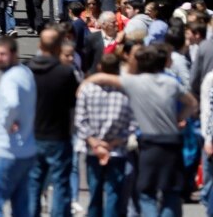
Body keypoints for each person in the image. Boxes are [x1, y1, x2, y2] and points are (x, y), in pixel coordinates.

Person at [85, 43, 198, 217]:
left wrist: (85, 83)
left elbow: (104, 78)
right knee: (170, 192)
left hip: (149, 143)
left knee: (147, 192)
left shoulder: (134, 82)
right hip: (172, 141)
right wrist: (179, 118)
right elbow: (192, 103)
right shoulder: (171, 82)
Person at [0, 28, 37, 217]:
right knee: (21, 207)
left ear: (14, 54)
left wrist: (7, 123)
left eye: (2, 55)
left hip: (5, 151)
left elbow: (12, 102)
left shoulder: (9, 80)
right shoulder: (25, 73)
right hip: (26, 151)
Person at [26, 26, 79, 217]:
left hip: (33, 135)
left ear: (40, 45)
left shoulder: (28, 71)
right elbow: (74, 104)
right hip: (59, 136)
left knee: (34, 185)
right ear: (58, 47)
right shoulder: (65, 74)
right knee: (60, 185)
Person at [74, 52, 133, 217]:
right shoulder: (126, 92)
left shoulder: (88, 90)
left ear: (100, 68)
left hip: (93, 149)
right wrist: (112, 143)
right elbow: (132, 123)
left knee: (95, 192)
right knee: (113, 192)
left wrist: (94, 142)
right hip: (117, 149)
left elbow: (80, 120)